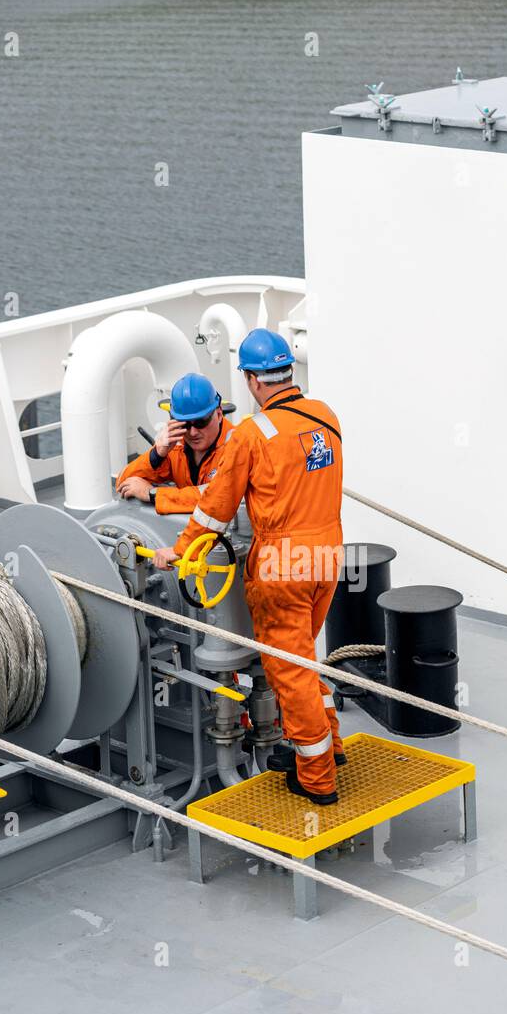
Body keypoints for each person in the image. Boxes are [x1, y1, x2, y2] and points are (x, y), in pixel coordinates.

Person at [153, 329, 345, 806]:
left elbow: (216, 509)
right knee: (305, 660)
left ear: (253, 380)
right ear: (288, 371)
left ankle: (317, 777)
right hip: (328, 557)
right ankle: (332, 747)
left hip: (283, 567)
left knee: (290, 674)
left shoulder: (252, 435)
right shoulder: (325, 416)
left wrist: (180, 550)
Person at [116, 373, 233, 514]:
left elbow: (218, 496)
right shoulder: (175, 447)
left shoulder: (237, 445)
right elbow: (123, 482)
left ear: (219, 415)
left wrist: (153, 494)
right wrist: (156, 455)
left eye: (201, 422)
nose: (193, 433)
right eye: (184, 424)